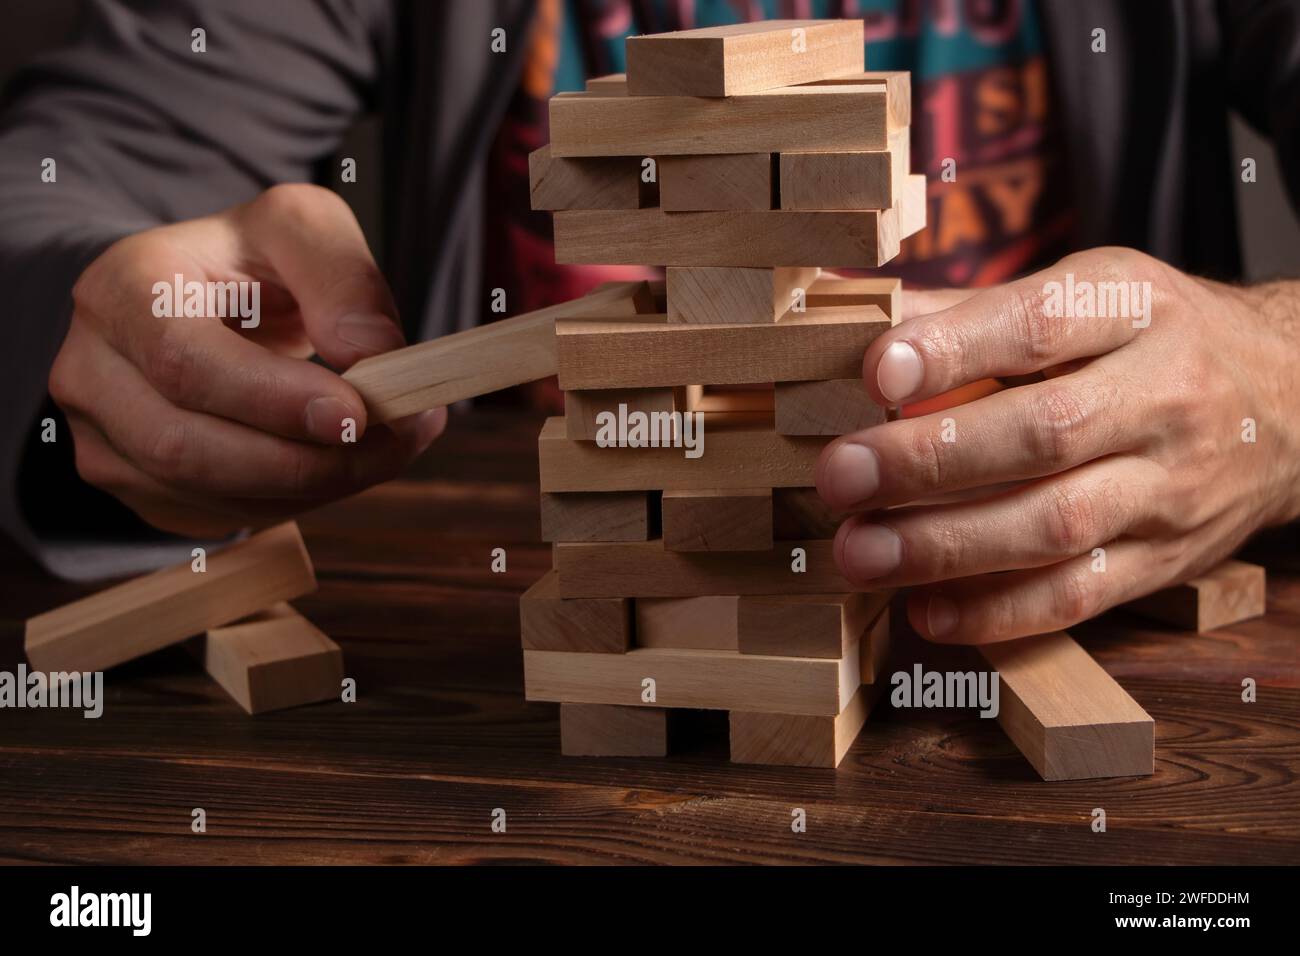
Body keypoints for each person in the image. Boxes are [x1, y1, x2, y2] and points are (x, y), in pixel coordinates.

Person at [0, 1, 1297, 644]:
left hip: (1036, 599)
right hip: (562, 573)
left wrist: (1281, 375)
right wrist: (103, 311)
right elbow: (69, 165)